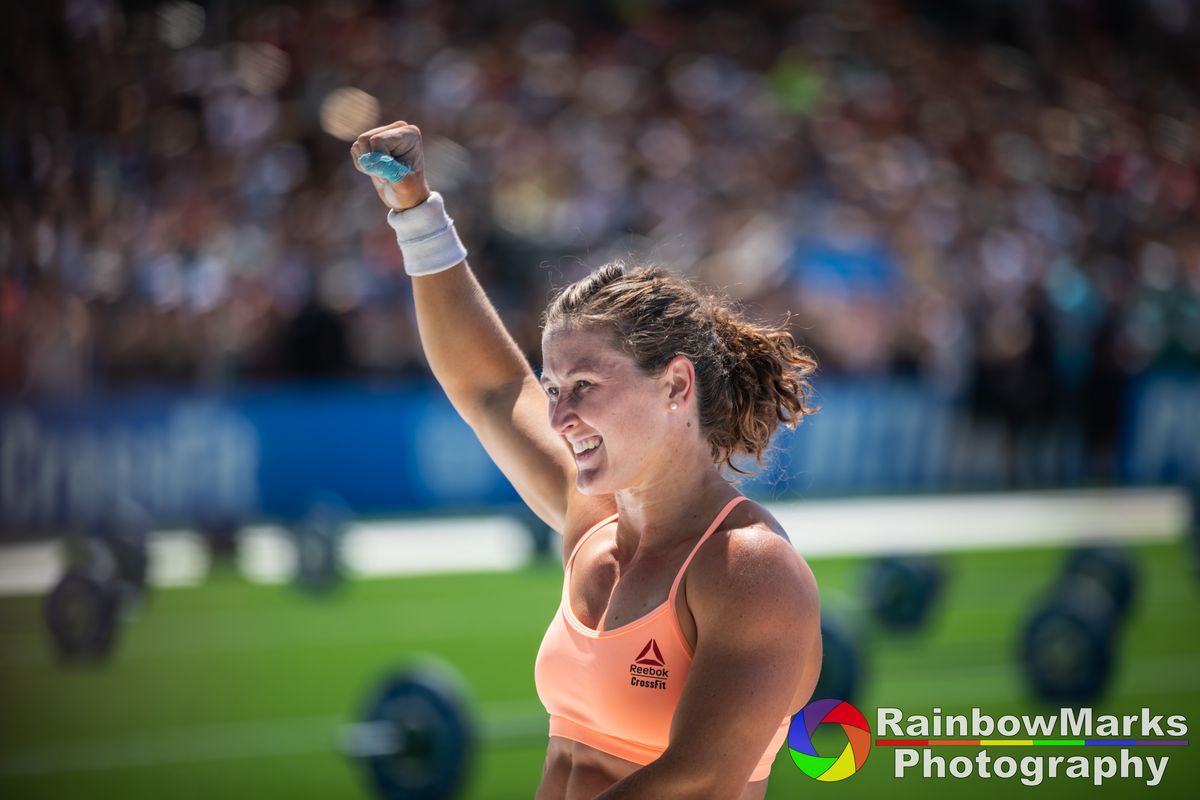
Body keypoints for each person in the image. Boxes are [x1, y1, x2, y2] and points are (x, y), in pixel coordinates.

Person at [351, 121, 822, 799]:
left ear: (676, 386)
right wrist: (415, 209)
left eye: (585, 388)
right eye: (552, 390)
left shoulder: (749, 568)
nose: (559, 417)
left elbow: (701, 779)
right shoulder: (594, 526)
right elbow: (487, 387)